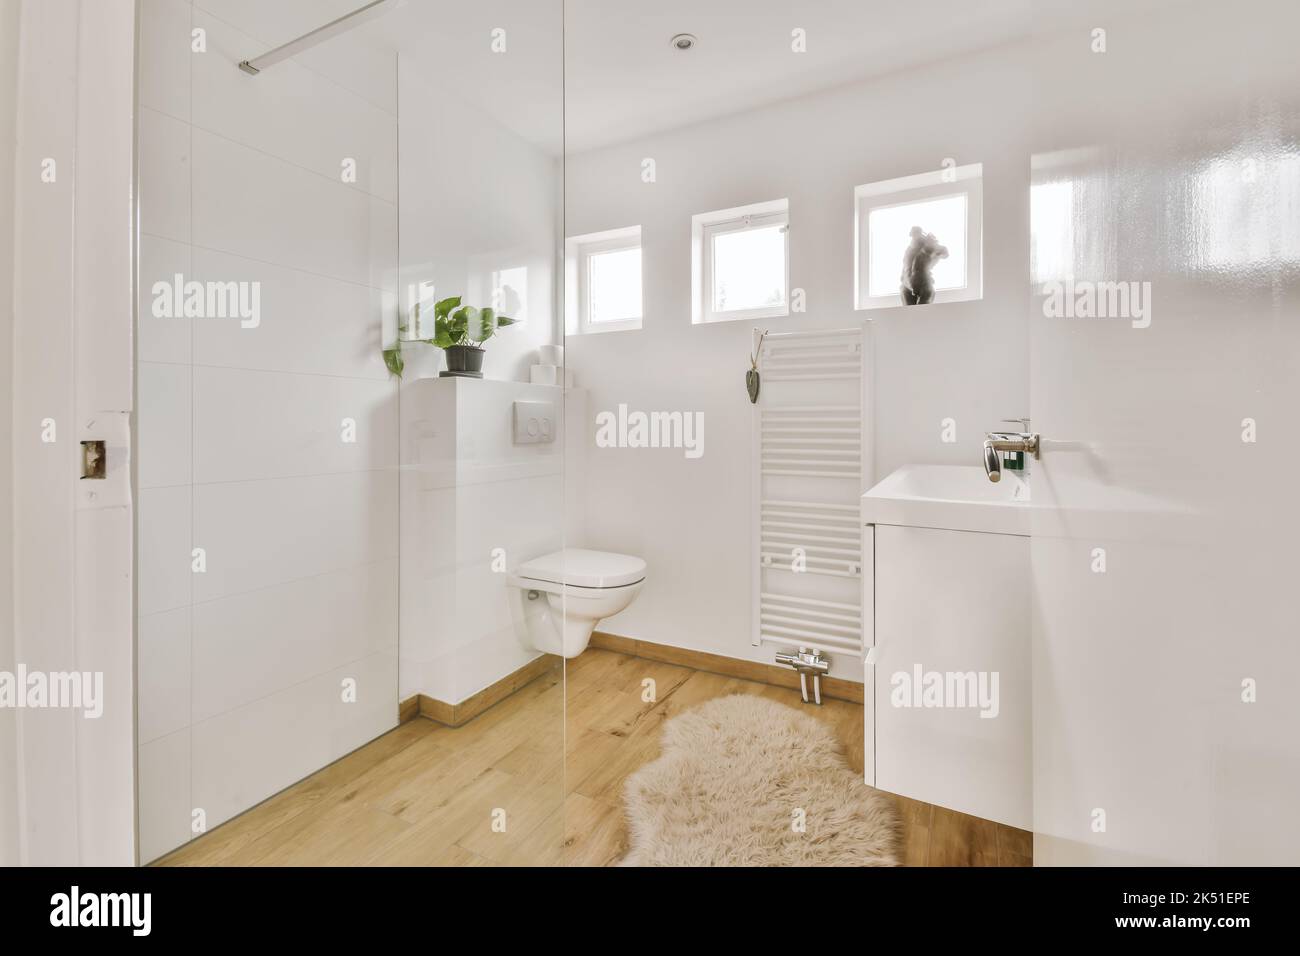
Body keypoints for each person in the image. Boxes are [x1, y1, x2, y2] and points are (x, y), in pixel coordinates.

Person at [900, 226, 949, 305]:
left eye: (917, 234)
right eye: (913, 235)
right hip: (907, 285)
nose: (914, 238)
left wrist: (932, 246)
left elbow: (945, 253)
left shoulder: (928, 244)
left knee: (926, 299)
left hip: (924, 282)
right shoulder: (909, 249)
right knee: (909, 309)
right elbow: (906, 268)